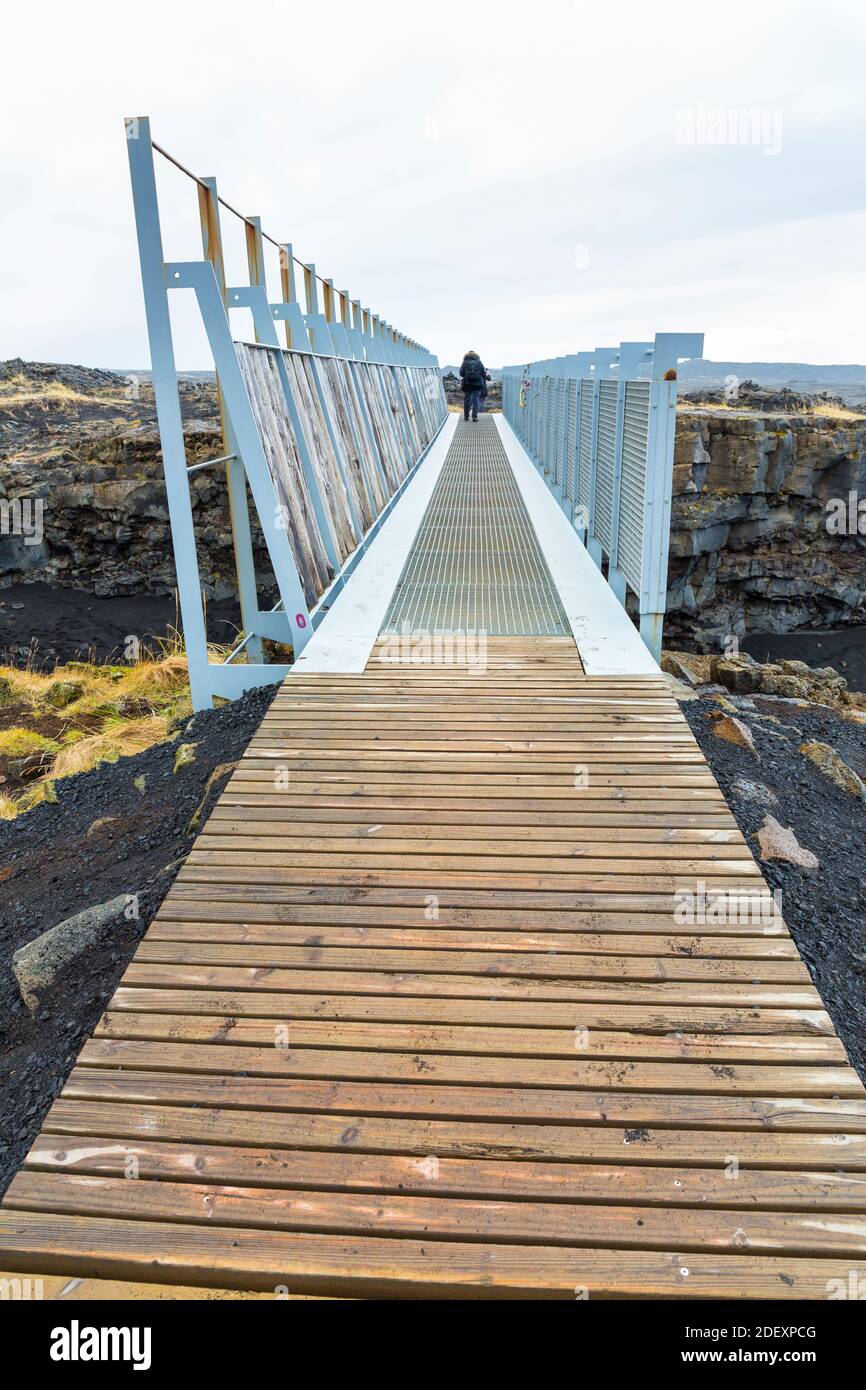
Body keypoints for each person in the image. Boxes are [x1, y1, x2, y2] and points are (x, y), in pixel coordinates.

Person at [459, 350, 490, 421]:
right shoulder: (479, 362)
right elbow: (483, 373)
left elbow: (461, 373)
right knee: (476, 399)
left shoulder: (465, 362)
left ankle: (466, 416)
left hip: (467, 384)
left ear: (467, 355)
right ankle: (474, 417)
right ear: (476, 355)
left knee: (467, 399)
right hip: (477, 384)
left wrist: (467, 375)